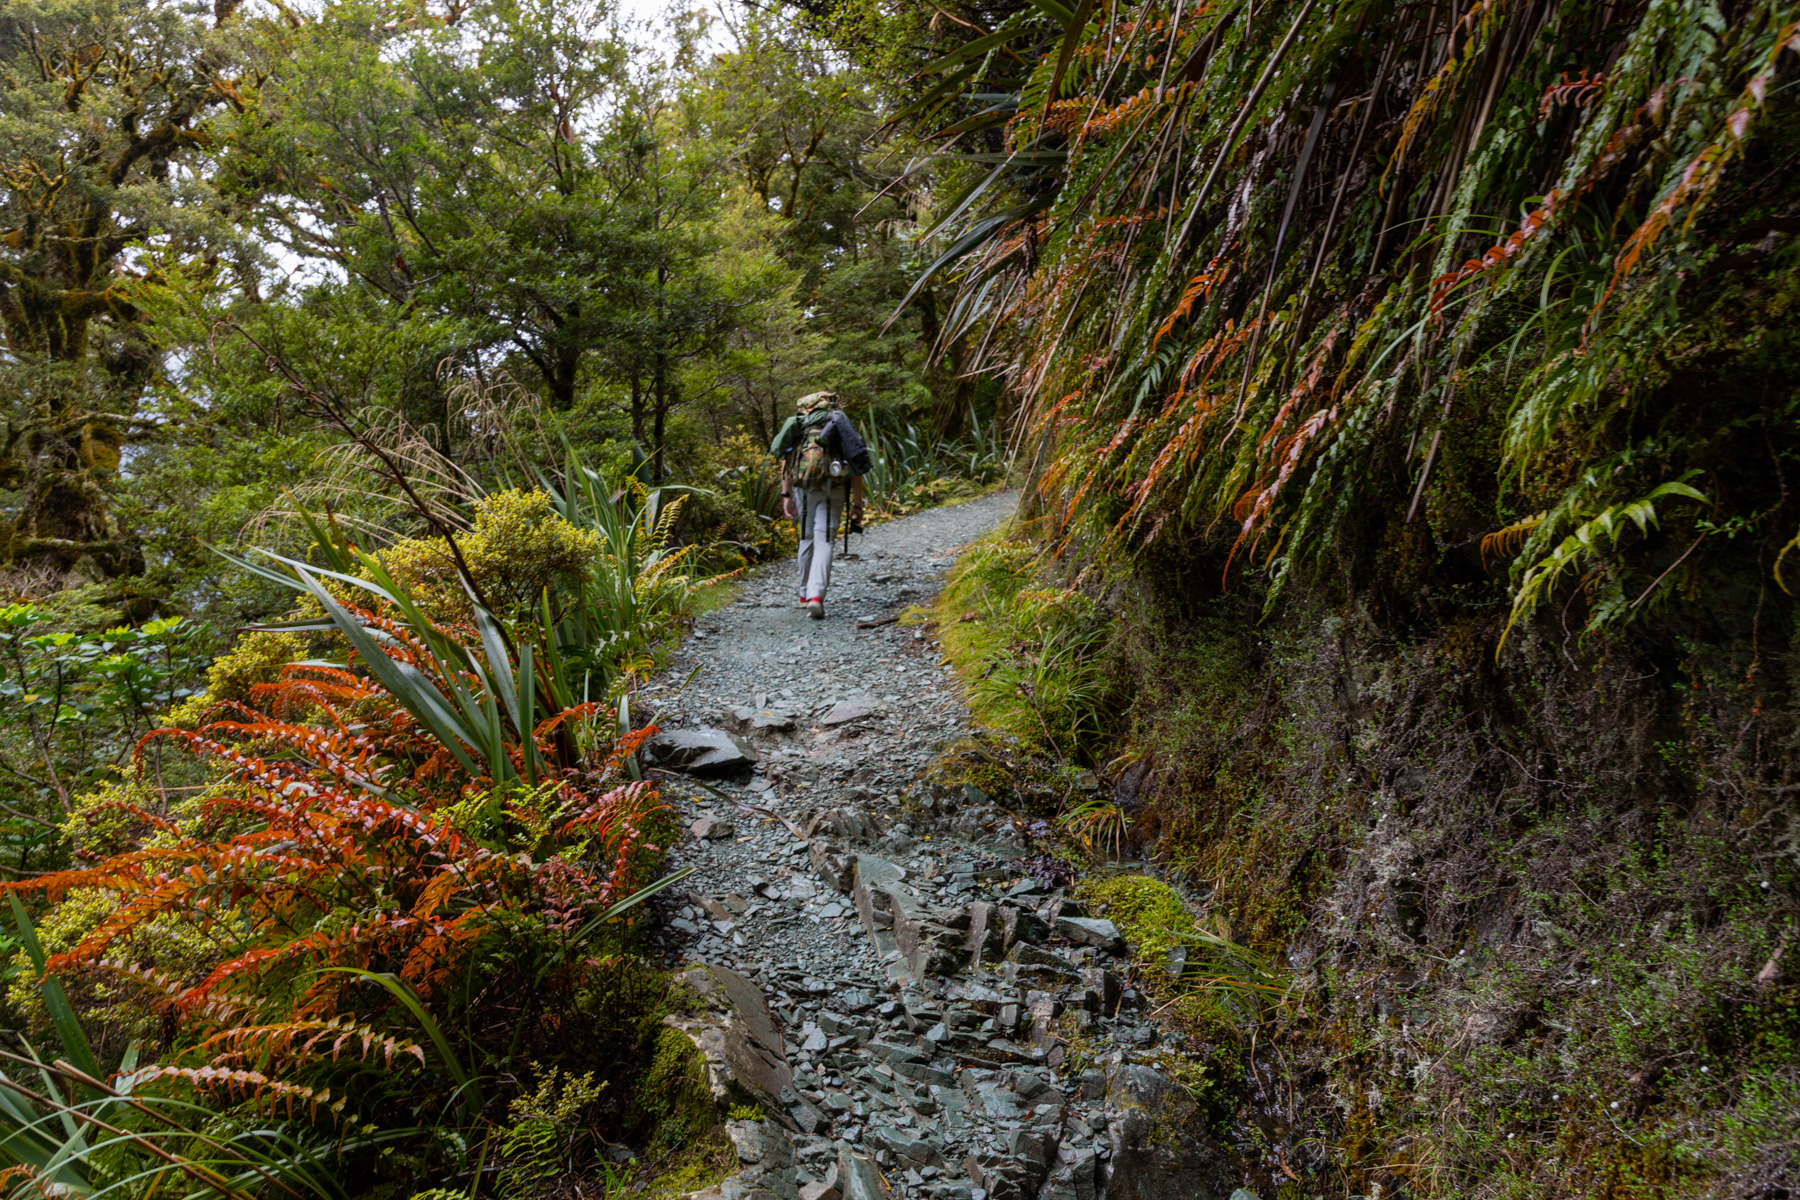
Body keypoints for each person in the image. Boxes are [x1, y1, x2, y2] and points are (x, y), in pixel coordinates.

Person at [769, 391, 871, 619]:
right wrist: (857, 504)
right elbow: (854, 463)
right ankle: (816, 596)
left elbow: (786, 461)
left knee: (806, 538)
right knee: (824, 538)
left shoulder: (800, 424)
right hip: (833, 487)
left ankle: (803, 593)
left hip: (803, 488)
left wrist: (786, 495)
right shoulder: (838, 422)